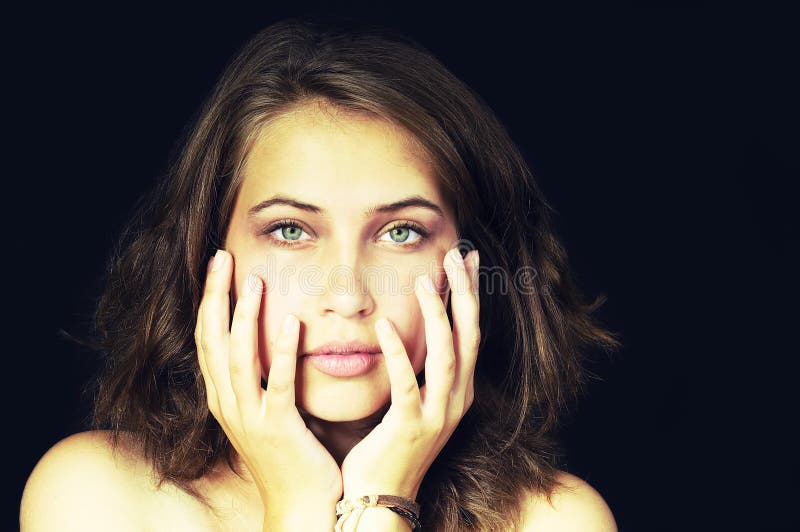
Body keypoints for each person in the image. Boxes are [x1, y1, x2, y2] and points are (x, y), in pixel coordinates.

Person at [21, 15, 621, 531]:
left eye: (401, 232)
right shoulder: (97, 495)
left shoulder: (554, 519)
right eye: (290, 230)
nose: (347, 296)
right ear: (209, 257)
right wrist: (297, 504)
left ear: (466, 267)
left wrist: (383, 503)